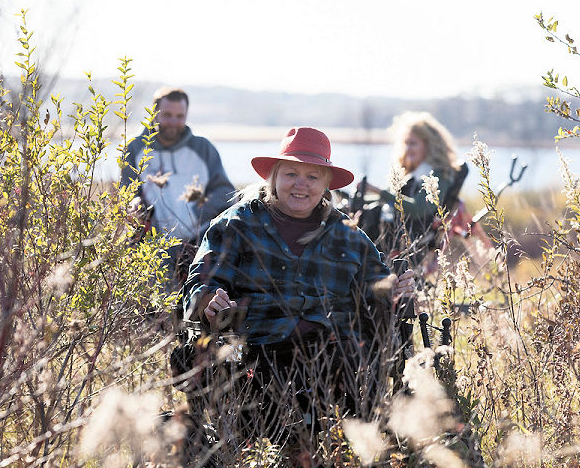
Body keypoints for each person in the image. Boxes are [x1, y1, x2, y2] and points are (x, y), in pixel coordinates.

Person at [181, 126, 415, 463]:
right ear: (273, 177)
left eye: (312, 176)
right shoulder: (235, 225)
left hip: (332, 365)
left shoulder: (347, 234)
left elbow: (380, 289)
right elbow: (200, 282)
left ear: (325, 185)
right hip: (256, 359)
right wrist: (208, 299)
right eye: (291, 173)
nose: (300, 184)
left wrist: (397, 290)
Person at [120, 87, 234, 277]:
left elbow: (225, 193)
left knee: (191, 305)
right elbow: (127, 192)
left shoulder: (203, 148)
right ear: (154, 113)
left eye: (180, 116)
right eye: (167, 115)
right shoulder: (135, 148)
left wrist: (195, 216)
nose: (173, 122)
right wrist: (135, 206)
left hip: (196, 248)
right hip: (150, 249)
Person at [362, 111, 491, 269]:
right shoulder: (410, 173)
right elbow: (386, 201)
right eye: (406, 143)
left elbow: (418, 209)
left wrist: (378, 191)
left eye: (413, 143)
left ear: (429, 145)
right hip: (388, 234)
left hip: (408, 242)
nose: (408, 149)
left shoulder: (438, 174)